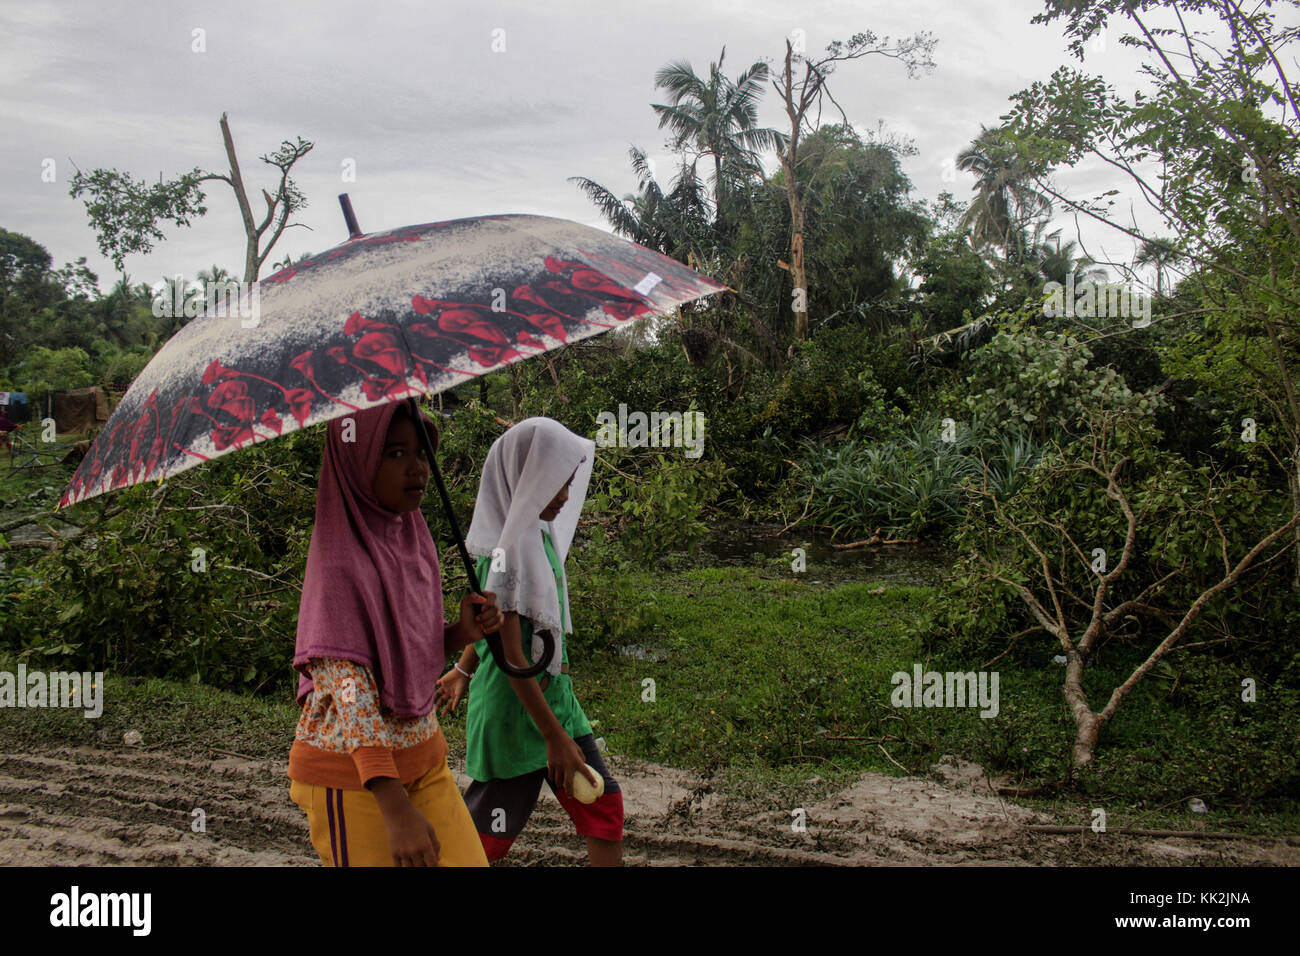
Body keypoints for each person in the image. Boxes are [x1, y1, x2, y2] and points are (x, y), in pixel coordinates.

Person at [288, 401, 500, 867]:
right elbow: (351, 691)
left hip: (423, 755)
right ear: (356, 462)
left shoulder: (411, 539)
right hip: (355, 777)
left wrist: (459, 632)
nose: (417, 468)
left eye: (421, 452)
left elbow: (403, 650)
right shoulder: (338, 565)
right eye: (395, 453)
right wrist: (394, 807)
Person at [436, 417, 624, 866]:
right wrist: (555, 739)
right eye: (555, 484)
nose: (563, 497)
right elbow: (512, 656)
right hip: (516, 718)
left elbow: (496, 627)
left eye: (568, 484)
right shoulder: (506, 554)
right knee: (486, 838)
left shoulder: (536, 535)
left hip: (555, 701)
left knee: (603, 806)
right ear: (525, 479)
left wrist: (462, 669)